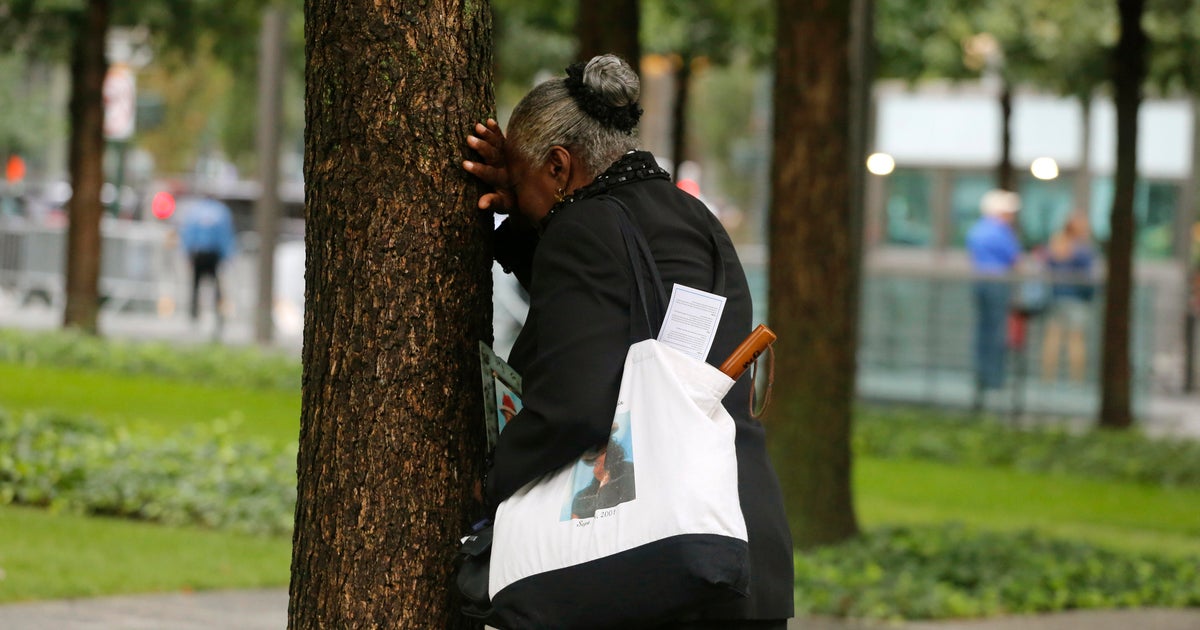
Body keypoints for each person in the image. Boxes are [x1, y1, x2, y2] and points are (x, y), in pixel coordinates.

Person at [462, 54, 793, 628]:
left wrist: (490, 481)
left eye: (518, 180)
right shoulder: (691, 217)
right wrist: (524, 215)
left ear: (559, 166)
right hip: (735, 542)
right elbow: (617, 311)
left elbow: (575, 408)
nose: (514, 195)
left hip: (644, 563)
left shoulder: (583, 230)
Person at [965, 189, 1021, 407]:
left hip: (979, 282)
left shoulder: (977, 230)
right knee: (997, 330)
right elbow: (1013, 257)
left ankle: (981, 375)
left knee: (982, 331)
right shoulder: (1001, 231)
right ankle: (994, 378)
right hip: (998, 283)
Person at [1040, 212, 1095, 383]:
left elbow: (1046, 266)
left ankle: (1047, 379)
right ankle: (1076, 380)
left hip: (1057, 297)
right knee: (1076, 340)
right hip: (1077, 299)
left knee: (1053, 339)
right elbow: (1089, 275)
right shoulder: (1083, 250)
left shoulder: (1056, 245)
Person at [177, 195, 236, 324]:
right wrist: (228, 256)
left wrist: (186, 253)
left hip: (197, 253)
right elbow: (225, 236)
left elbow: (187, 234)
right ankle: (219, 312)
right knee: (216, 285)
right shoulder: (221, 211)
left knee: (195, 284)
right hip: (213, 254)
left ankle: (194, 313)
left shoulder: (194, 211)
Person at [571, 440, 636, 519]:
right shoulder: (580, 498)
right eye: (597, 463)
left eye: (607, 462)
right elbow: (574, 524)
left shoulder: (630, 473)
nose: (602, 468)